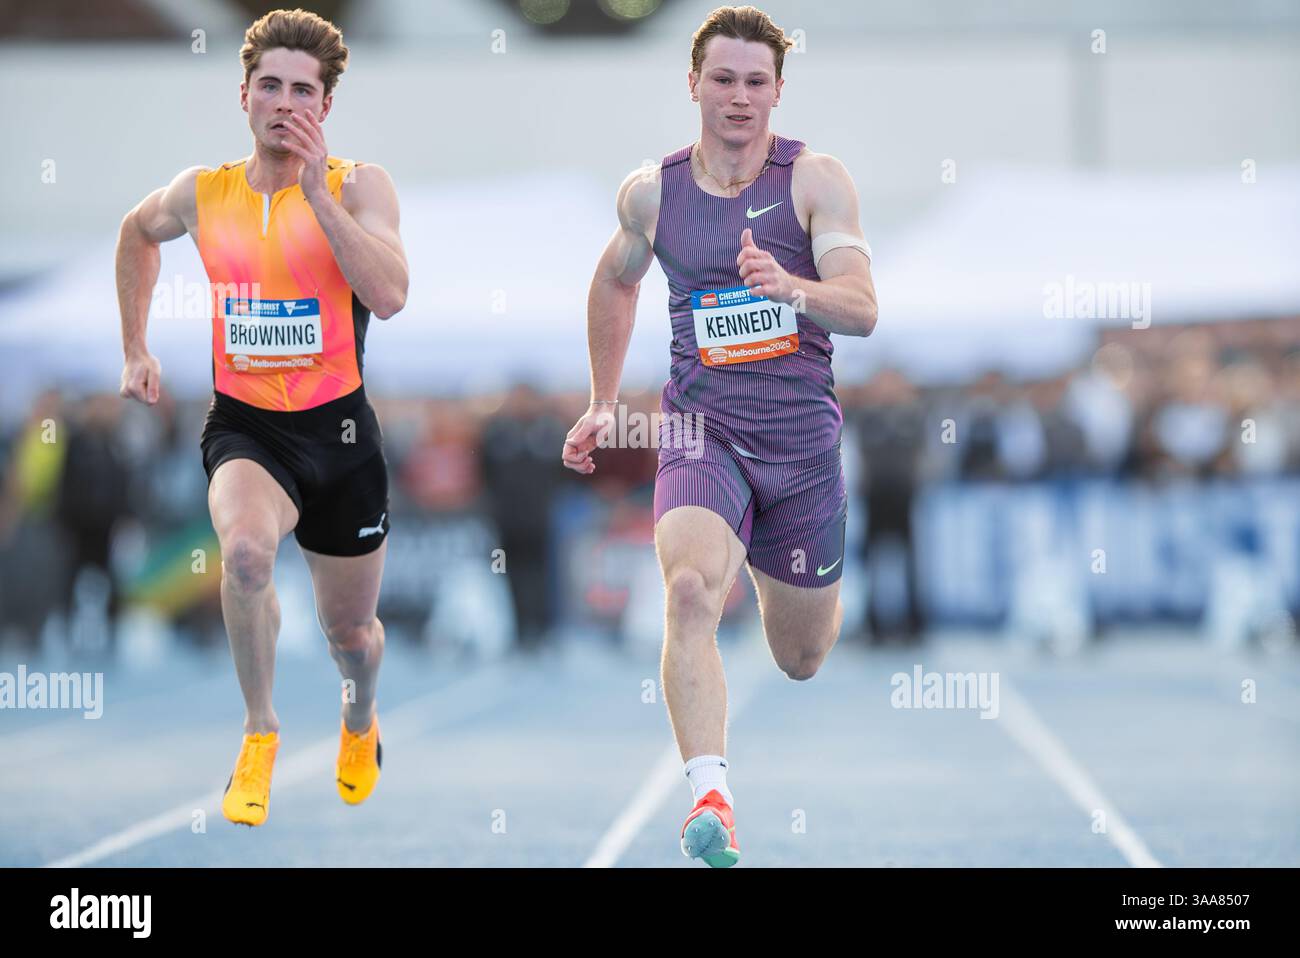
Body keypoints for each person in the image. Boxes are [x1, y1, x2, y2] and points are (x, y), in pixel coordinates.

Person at [562, 4, 877, 867]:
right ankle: (710, 796)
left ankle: (800, 590)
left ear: (778, 91)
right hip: (704, 432)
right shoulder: (653, 193)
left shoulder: (815, 181)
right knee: (691, 591)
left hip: (804, 450)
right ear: (694, 84)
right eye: (724, 79)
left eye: (756, 82)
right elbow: (614, 283)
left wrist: (791, 286)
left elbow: (865, 310)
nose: (739, 97)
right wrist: (601, 400)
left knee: (801, 656)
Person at [115, 9, 408, 826]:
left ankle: (358, 717)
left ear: (325, 107)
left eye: (302, 91)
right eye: (270, 86)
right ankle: (260, 730)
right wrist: (135, 344)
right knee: (243, 555)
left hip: (342, 436)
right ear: (243, 94)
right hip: (248, 428)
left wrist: (318, 194)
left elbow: (388, 295)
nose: (284, 102)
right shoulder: (202, 194)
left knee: (353, 635)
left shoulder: (357, 185)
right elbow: (137, 234)